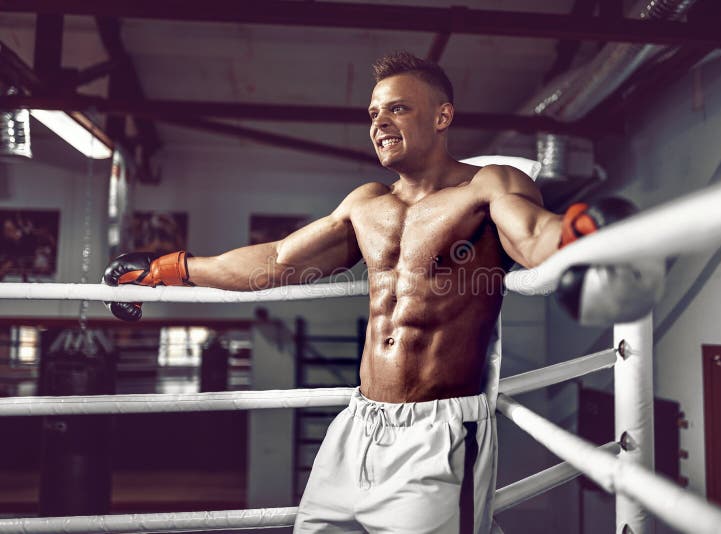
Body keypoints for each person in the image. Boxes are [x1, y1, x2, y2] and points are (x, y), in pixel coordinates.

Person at [104, 52, 643, 533]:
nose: (380, 123)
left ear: (442, 116)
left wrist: (580, 231)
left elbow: (531, 236)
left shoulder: (488, 186)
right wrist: (169, 268)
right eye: (373, 114)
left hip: (438, 436)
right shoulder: (366, 203)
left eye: (397, 109)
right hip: (358, 424)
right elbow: (276, 260)